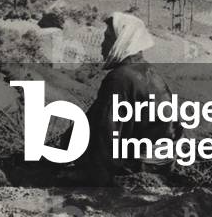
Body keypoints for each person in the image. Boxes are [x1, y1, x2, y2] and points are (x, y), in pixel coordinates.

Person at [77, 11, 182, 185]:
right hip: (163, 164)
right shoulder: (150, 72)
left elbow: (107, 133)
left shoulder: (119, 78)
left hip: (140, 167)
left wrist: (97, 179)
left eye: (108, 38)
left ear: (122, 42)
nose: (102, 45)